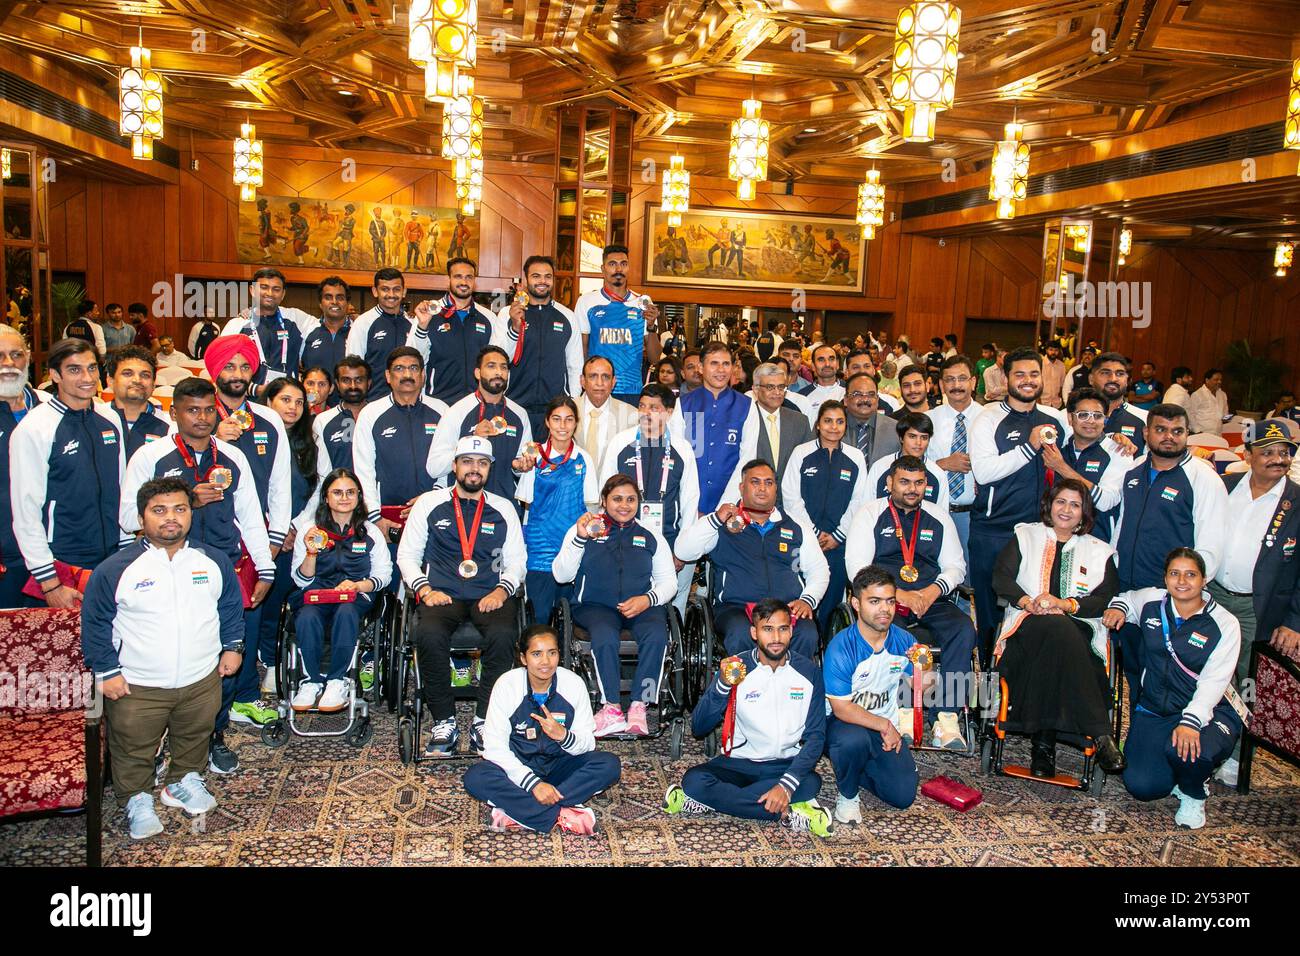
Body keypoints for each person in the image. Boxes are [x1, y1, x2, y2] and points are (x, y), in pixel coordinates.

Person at [119, 376, 275, 773]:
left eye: (209, 410)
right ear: (174, 413)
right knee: (164, 655)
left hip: (221, 569)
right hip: (163, 570)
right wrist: (188, 499)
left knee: (222, 657)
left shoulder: (233, 457)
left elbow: (251, 518)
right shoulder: (150, 456)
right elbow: (125, 518)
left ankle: (214, 734)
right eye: (192, 410)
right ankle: (154, 745)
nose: (202, 418)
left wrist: (265, 568)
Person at [81, 477, 245, 839]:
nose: (171, 518)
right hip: (138, 681)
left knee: (196, 735)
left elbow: (231, 607)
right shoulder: (116, 568)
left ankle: (183, 780)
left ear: (190, 514)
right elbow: (94, 623)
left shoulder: (212, 560)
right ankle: (136, 798)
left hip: (201, 676)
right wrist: (106, 671)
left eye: (180, 509)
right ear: (142, 517)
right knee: (133, 745)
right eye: (160, 510)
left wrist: (233, 647)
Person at [397, 436, 526, 757]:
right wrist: (423, 588)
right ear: (455, 466)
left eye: (482, 463)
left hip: (489, 595)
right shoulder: (429, 504)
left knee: (505, 632)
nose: (474, 469)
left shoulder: (503, 508)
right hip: (442, 594)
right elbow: (407, 555)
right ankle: (444, 721)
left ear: (489, 469)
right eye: (467, 462)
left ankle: (484, 719)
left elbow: (517, 561)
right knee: (427, 633)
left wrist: (502, 589)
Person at [662, 599, 831, 836]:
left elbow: (816, 737)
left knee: (811, 782)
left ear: (791, 631)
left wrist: (785, 784)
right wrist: (721, 686)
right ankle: (789, 811)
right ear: (754, 632)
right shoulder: (736, 668)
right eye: (767, 629)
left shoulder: (809, 672)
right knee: (694, 780)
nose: (776, 638)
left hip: (784, 764)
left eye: (783, 629)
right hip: (740, 763)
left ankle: (707, 802)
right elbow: (699, 727)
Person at [991, 480, 1124, 778]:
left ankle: (1043, 746)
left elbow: (1104, 599)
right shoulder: (1026, 536)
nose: (1066, 510)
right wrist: (1027, 601)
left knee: (1059, 632)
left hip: (1079, 634)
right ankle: (1100, 732)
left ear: (1084, 512)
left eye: (1075, 504)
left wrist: (1065, 605)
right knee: (1053, 627)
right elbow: (1001, 578)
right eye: (1061, 502)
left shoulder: (1099, 551)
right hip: (1027, 630)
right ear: (1049, 505)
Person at [1105, 549, 1244, 830]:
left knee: (1192, 751)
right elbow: (1126, 600)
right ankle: (1178, 772)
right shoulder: (1152, 601)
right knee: (1142, 786)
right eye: (1174, 573)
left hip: (1210, 710)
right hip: (1156, 709)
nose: (1182, 581)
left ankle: (1194, 791)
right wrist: (1118, 609)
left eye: (1191, 574)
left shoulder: (1225, 623)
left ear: (1204, 580)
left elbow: (1214, 681)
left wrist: (1191, 722)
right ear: (1165, 578)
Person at [844, 455, 974, 747]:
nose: (912, 489)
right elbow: (857, 567)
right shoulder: (870, 513)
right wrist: (895, 595)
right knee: (897, 633)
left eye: (919, 483)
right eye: (904, 482)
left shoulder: (939, 516)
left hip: (930, 597)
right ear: (890, 483)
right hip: (884, 601)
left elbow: (956, 566)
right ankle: (901, 712)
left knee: (963, 629)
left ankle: (947, 718)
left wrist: (931, 592)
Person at [1112, 403, 1229, 704]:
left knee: (1168, 677)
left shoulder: (1203, 478)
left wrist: (1185, 596)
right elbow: (1122, 525)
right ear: (1146, 432)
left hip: (1169, 597)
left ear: (1187, 434)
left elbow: (1210, 546)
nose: (1169, 437)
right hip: (1128, 591)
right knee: (1134, 670)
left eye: (1177, 431)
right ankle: (1139, 737)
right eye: (1161, 430)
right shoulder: (1133, 471)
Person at [1210, 419, 1300, 785]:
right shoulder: (1224, 487)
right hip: (1211, 596)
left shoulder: (1297, 502)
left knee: (1246, 681)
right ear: (1247, 456)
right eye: (1268, 452)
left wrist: (1295, 621)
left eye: (1284, 453)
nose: (1278, 459)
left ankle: (1235, 752)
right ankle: (1204, 740)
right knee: (1207, 671)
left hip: (1256, 607)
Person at [463, 624, 620, 834]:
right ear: (523, 658)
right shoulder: (507, 685)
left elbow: (587, 743)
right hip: (518, 770)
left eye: (552, 653)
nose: (545, 662)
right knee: (476, 777)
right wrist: (533, 784)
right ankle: (561, 814)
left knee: (609, 764)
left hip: (560, 767)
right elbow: (494, 748)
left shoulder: (573, 684)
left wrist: (564, 736)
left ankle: (516, 812)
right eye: (536, 654)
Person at [552, 474, 676, 737]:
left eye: (631, 499)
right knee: (605, 636)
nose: (624, 505)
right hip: (595, 606)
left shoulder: (650, 535)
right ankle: (611, 708)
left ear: (638, 503)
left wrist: (647, 600)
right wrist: (579, 538)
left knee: (657, 634)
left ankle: (639, 706)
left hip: (641, 605)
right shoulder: (584, 530)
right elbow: (561, 575)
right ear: (603, 501)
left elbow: (669, 584)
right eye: (617, 498)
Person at [10, 338, 127, 609]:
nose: (87, 378)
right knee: (66, 650)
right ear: (55, 375)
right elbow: (25, 510)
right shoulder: (34, 429)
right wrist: (48, 580)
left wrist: (125, 553)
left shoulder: (109, 419)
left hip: (112, 560)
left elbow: (119, 491)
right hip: (62, 564)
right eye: (74, 370)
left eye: (92, 368)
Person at [967, 346, 1069, 654]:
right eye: (1020, 374)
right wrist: (1028, 447)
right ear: (1006, 378)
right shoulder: (988, 419)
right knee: (989, 612)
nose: (1027, 381)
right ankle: (985, 679)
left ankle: (1020, 683)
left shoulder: (1054, 420)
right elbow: (984, 473)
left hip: (1039, 532)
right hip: (992, 530)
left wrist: (1121, 443)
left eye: (1033, 374)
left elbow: (1078, 452)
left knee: (1032, 609)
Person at [675, 459, 829, 660]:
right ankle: (747, 690)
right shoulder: (721, 522)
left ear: (776, 488)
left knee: (807, 633)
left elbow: (820, 570)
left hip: (786, 608)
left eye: (769, 483)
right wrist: (715, 519)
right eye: (755, 482)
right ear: (741, 487)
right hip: (736, 608)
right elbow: (683, 551)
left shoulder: (796, 526)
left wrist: (807, 599)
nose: (762, 488)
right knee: (740, 632)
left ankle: (792, 688)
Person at [822, 566, 921, 822]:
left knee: (902, 796)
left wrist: (923, 668)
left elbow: (922, 690)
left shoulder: (904, 640)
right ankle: (847, 793)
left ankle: (854, 767)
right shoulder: (842, 647)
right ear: (856, 603)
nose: (884, 609)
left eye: (890, 601)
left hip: (880, 724)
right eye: (874, 601)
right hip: (840, 722)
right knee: (851, 740)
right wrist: (885, 725)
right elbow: (842, 709)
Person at [289, 468, 392, 712]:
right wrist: (311, 552)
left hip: (356, 593)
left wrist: (358, 585)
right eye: (337, 492)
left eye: (350, 492)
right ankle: (311, 681)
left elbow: (384, 575)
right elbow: (300, 579)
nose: (344, 498)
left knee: (346, 611)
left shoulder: (370, 531)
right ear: (326, 497)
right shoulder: (309, 530)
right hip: (318, 592)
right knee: (306, 616)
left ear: (358, 497)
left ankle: (337, 680)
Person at [601, 383, 700, 617]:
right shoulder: (620, 443)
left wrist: (681, 551)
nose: (646, 412)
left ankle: (672, 650)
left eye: (654, 408)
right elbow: (604, 495)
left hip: (670, 540)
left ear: (668, 411)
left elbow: (689, 502)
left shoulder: (682, 449)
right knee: (628, 603)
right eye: (642, 406)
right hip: (624, 540)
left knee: (671, 609)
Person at [780, 400, 869, 636]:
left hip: (838, 543)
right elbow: (791, 497)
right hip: (804, 540)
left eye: (839, 421)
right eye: (827, 421)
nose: (833, 427)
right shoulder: (802, 453)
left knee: (832, 598)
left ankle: (827, 646)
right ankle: (800, 644)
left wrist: (839, 535)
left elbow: (858, 501)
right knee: (800, 592)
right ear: (818, 424)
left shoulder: (855, 457)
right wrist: (813, 534)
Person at [255, 377, 321, 692]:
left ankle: (294, 660)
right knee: (269, 604)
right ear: (269, 403)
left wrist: (295, 525)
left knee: (294, 600)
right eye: (285, 400)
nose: (292, 407)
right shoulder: (255, 439)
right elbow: (252, 492)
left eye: (298, 402)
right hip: (265, 536)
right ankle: (269, 661)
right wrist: (276, 529)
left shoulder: (310, 441)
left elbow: (320, 489)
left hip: (299, 534)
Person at [353, 347, 448, 551]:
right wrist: (375, 518)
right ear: (388, 376)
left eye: (413, 368)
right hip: (387, 520)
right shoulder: (370, 414)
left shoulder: (442, 411)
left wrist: (432, 499)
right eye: (399, 368)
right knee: (388, 579)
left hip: (434, 513)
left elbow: (450, 463)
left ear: (423, 374)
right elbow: (363, 470)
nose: (407, 374)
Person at [515, 396, 599, 623]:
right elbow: (526, 505)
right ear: (547, 422)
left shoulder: (584, 458)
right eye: (557, 419)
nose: (563, 426)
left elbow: (591, 507)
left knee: (568, 619)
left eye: (569, 420)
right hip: (540, 547)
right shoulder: (533, 454)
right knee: (539, 616)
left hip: (572, 546)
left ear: (575, 423)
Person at [426, 345, 533, 502]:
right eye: (491, 366)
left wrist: (520, 468)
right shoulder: (457, 411)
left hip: (504, 507)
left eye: (503, 367)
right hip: (461, 507)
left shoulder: (520, 414)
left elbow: (521, 466)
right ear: (477, 373)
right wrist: (470, 440)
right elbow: (434, 468)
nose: (499, 372)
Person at [496, 255, 582, 436]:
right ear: (526, 279)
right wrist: (514, 327)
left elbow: (574, 365)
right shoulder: (507, 314)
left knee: (551, 462)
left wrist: (572, 403)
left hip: (554, 411)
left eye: (548, 276)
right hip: (514, 404)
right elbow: (500, 360)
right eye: (536, 276)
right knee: (517, 462)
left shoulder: (567, 316)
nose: (542, 281)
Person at [574, 245, 662, 405]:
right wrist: (580, 387)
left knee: (628, 431)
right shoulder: (586, 302)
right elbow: (581, 351)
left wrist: (651, 326)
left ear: (628, 267)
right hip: (597, 388)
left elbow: (655, 358)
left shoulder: (643, 302)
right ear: (603, 268)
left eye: (623, 263)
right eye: (612, 264)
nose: (618, 269)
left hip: (631, 390)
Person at [407, 257, 501, 404]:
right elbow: (413, 357)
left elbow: (497, 362)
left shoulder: (488, 318)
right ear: (448, 279)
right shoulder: (428, 313)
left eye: (469, 277)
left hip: (477, 402)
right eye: (458, 276)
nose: (464, 282)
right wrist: (422, 326)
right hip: (438, 401)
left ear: (474, 281)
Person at [0, 324, 47, 607]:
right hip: (6, 560)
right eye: (0, 356)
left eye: (16, 354)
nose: (8, 364)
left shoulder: (50, 408)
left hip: (55, 556)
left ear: (28, 357)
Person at [1045, 386, 1131, 540]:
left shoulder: (1119, 452)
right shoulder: (1060, 447)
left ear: (1105, 420)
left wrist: (1061, 467)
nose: (1091, 421)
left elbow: (1106, 501)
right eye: (1083, 415)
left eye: (1097, 416)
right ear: (1071, 419)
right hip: (1055, 538)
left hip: (1096, 542)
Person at [221, 267, 319, 397]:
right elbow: (220, 369)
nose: (270, 293)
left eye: (276, 289)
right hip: (248, 402)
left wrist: (351, 319)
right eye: (264, 287)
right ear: (252, 290)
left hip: (288, 403)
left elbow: (327, 323)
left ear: (283, 294)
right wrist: (255, 390)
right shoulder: (236, 325)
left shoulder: (296, 319)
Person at [724, 361, 813, 500]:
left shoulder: (800, 421)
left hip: (791, 503)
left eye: (781, 387)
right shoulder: (741, 420)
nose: (777, 392)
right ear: (755, 389)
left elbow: (808, 465)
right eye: (770, 387)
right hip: (750, 502)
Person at [927, 355, 978, 571]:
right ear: (941, 384)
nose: (956, 385)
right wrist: (943, 463)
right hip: (935, 510)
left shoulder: (990, 419)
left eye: (962, 379)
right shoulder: (928, 419)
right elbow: (915, 465)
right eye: (949, 380)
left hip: (974, 515)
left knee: (970, 576)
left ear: (973, 382)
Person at [345, 268, 412, 399]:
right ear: (375, 291)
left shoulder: (413, 323)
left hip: (408, 401)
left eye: (396, 289)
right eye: (385, 289)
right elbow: (353, 368)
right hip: (374, 401)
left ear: (404, 291)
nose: (391, 294)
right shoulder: (363, 323)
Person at [863, 412, 951, 509]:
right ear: (901, 438)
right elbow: (867, 507)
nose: (918, 443)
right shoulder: (880, 467)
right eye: (912, 436)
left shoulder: (937, 474)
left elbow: (941, 515)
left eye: (924, 437)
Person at [105, 345, 168, 461]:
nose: (137, 380)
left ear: (154, 384)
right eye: (128, 373)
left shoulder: (169, 427)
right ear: (110, 381)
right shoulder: (94, 420)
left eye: (145, 375)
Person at [575, 354, 640, 466]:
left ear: (613, 382)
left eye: (605, 377)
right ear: (582, 381)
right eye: (593, 376)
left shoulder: (632, 415)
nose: (599, 383)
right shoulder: (566, 411)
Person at [313, 356, 369, 475]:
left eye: (359, 380)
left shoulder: (379, 417)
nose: (353, 386)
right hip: (341, 492)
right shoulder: (322, 421)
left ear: (369, 383)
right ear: (337, 384)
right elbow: (322, 472)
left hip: (378, 493)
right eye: (346, 380)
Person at [1089, 352, 1149, 455]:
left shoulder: (1145, 418)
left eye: (1120, 374)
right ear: (1091, 379)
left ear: (1127, 380)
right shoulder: (1072, 416)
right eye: (1105, 373)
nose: (1113, 379)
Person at [840, 371, 899, 466]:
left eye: (871, 394)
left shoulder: (895, 430)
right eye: (857, 394)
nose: (865, 399)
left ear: (878, 400)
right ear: (846, 400)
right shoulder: (830, 428)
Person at [301, 276, 352, 381]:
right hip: (315, 396)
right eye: (328, 297)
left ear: (347, 303)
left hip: (349, 396)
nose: (334, 302)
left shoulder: (358, 331)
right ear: (320, 303)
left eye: (340, 297)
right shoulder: (307, 330)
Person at [802, 344, 845, 425]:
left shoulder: (850, 391)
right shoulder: (802, 396)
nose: (827, 364)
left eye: (831, 359)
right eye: (821, 360)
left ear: (838, 364)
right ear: (813, 366)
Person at [1186, 368, 1230, 435]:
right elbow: (1190, 415)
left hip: (1218, 434)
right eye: (1216, 380)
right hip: (1202, 434)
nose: (1219, 382)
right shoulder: (1197, 395)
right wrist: (1197, 431)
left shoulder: (1222, 394)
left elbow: (1225, 413)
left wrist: (1229, 418)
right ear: (1207, 380)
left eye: (1220, 380)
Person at [1040, 340, 1067, 410]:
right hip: (1041, 402)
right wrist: (1037, 400)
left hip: (1056, 404)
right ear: (1046, 350)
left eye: (1056, 350)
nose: (1053, 352)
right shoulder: (1040, 363)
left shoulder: (1061, 365)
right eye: (1051, 350)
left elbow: (1062, 385)